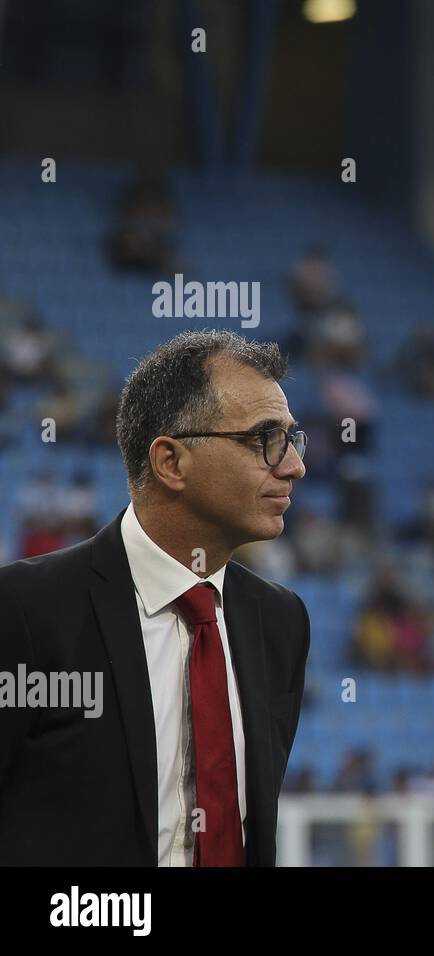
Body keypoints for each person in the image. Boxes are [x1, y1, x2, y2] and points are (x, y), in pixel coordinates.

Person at [0, 330, 310, 866]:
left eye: (291, 438)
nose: (293, 466)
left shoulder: (280, 622)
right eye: (265, 438)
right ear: (171, 462)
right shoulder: (25, 612)